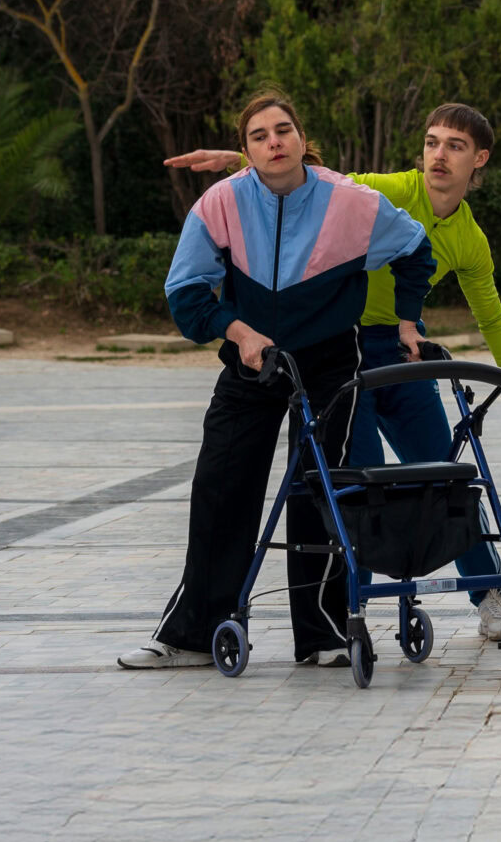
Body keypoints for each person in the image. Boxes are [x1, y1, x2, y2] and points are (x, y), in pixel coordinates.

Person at [162, 102, 501, 644]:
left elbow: (493, 315)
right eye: (432, 142)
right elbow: (305, 185)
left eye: (454, 147)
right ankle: (346, 617)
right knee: (350, 486)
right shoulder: (387, 189)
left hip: (395, 348)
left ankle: (488, 596)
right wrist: (239, 163)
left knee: (446, 473)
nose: (439, 155)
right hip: (341, 349)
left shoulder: (470, 240)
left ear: (479, 159)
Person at [119, 91, 436, 669]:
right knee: (221, 488)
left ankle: (323, 636)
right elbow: (184, 293)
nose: (274, 141)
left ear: (300, 136)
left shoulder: (351, 201)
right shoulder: (220, 203)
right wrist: (236, 330)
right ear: (246, 151)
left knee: (322, 492)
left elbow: (417, 249)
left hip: (331, 362)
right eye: (260, 135)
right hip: (250, 359)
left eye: (283, 129)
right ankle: (192, 636)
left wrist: (408, 317)